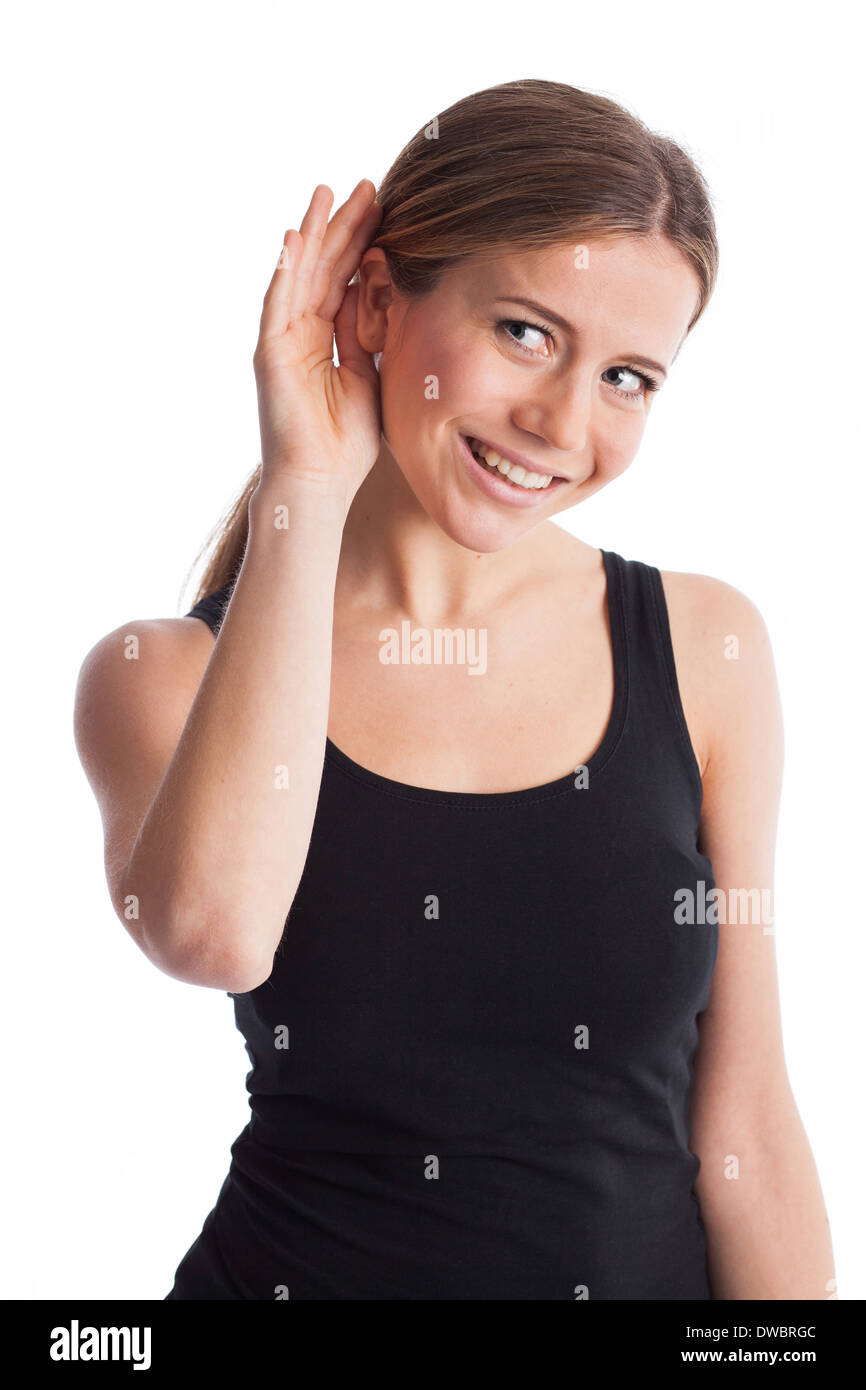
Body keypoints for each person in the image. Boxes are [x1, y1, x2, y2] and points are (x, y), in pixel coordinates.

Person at [74, 79, 834, 1300]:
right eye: (525, 332)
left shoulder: (704, 652)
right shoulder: (164, 676)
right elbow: (213, 934)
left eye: (626, 377)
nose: (558, 421)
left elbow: (743, 1126)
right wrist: (305, 484)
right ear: (375, 303)